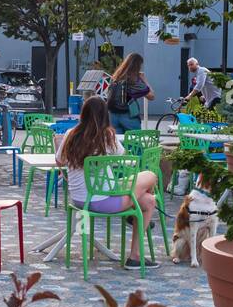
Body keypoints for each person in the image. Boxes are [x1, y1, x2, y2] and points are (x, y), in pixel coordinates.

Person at [55, 96, 160, 270]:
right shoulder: (107, 136)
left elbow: (59, 162)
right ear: (105, 115)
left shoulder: (70, 134)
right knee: (149, 175)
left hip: (80, 201)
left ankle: (135, 257)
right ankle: (130, 214)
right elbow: (125, 160)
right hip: (105, 202)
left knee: (149, 201)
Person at [105, 53, 154, 133]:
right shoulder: (134, 80)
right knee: (134, 142)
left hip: (112, 115)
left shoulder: (115, 77)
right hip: (128, 116)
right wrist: (144, 79)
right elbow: (151, 96)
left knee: (117, 143)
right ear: (137, 66)